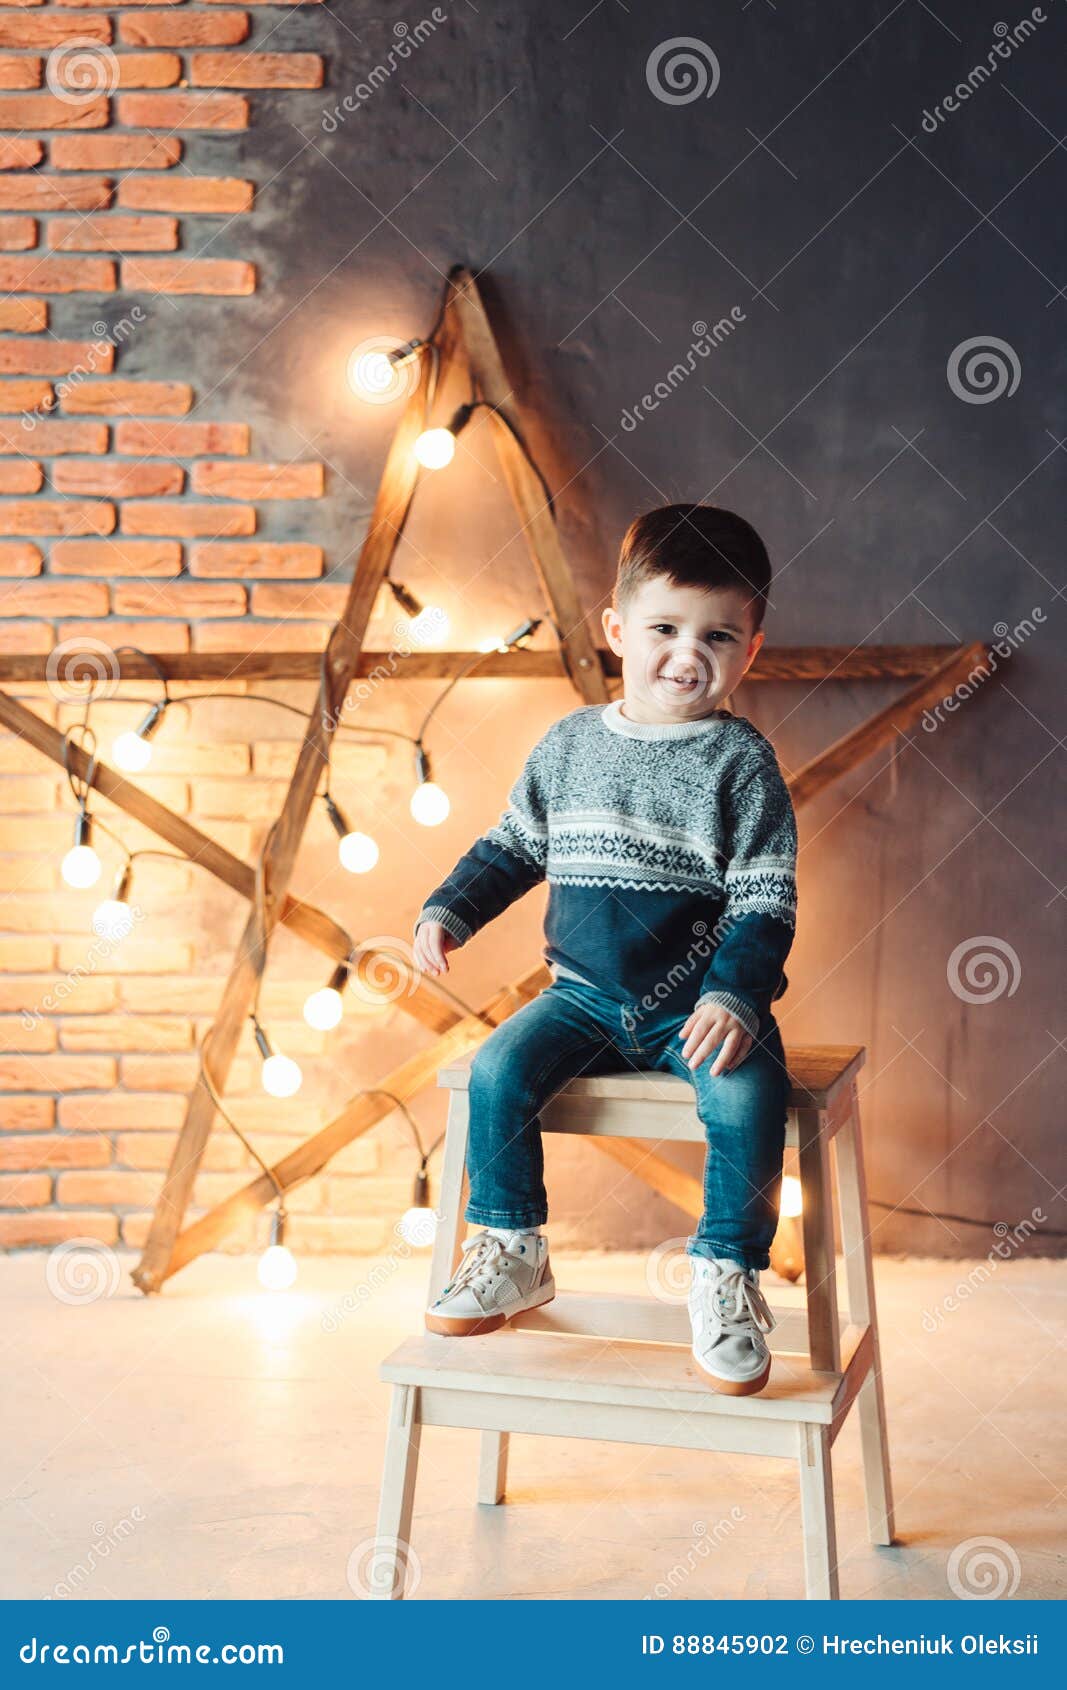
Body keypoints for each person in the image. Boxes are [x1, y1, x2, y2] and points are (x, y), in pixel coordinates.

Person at [411, 504, 797, 1396]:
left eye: (718, 635)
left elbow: (764, 900)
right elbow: (512, 845)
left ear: (751, 650)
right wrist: (449, 910)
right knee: (495, 1070)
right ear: (618, 629)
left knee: (748, 1097)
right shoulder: (569, 746)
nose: (686, 655)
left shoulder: (741, 765)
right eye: (663, 628)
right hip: (580, 998)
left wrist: (733, 996)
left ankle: (725, 1272)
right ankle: (511, 1243)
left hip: (695, 1011)